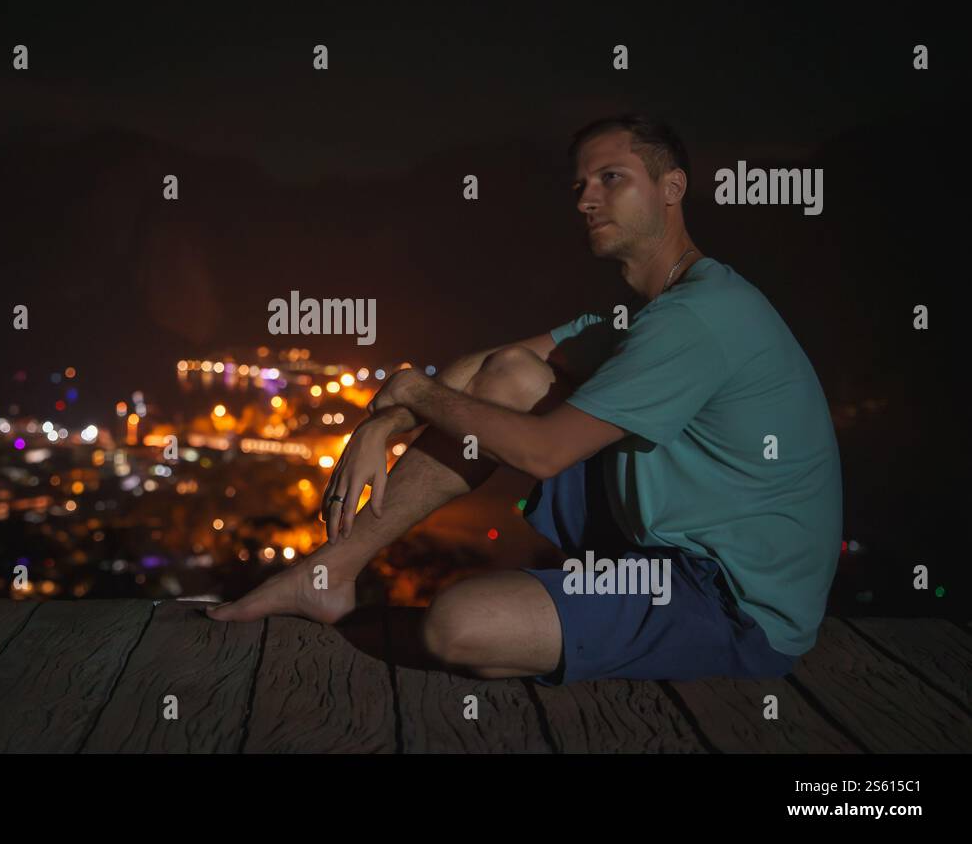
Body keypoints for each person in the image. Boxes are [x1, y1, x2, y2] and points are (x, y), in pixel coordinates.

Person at [207, 113, 842, 685]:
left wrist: (408, 390)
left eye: (611, 179)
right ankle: (329, 573)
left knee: (460, 625)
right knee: (512, 374)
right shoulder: (649, 315)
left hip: (733, 602)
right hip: (658, 549)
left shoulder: (699, 318)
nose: (587, 199)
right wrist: (388, 421)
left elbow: (545, 453)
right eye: (580, 186)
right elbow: (488, 368)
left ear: (672, 188)